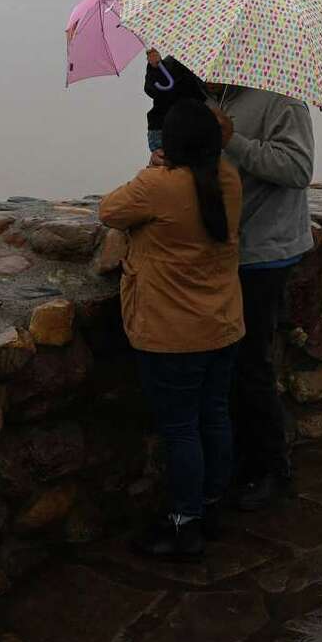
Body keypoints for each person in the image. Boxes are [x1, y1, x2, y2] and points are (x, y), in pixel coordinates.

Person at [99, 99, 245, 560]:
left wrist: (152, 167)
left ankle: (185, 525)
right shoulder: (228, 178)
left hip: (172, 333)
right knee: (214, 416)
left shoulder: (157, 185)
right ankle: (211, 506)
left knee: (181, 429)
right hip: (223, 324)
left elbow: (109, 211)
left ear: (172, 142)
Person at [200, 78, 315, 512]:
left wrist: (233, 140)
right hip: (227, 248)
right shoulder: (210, 96)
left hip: (267, 250)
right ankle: (240, 464)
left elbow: (299, 168)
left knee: (251, 364)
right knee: (227, 364)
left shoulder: (282, 98)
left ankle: (272, 470)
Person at [143, 49, 207, 151]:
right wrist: (155, 67)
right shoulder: (172, 63)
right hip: (164, 127)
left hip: (193, 124)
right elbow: (151, 89)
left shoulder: (202, 67)